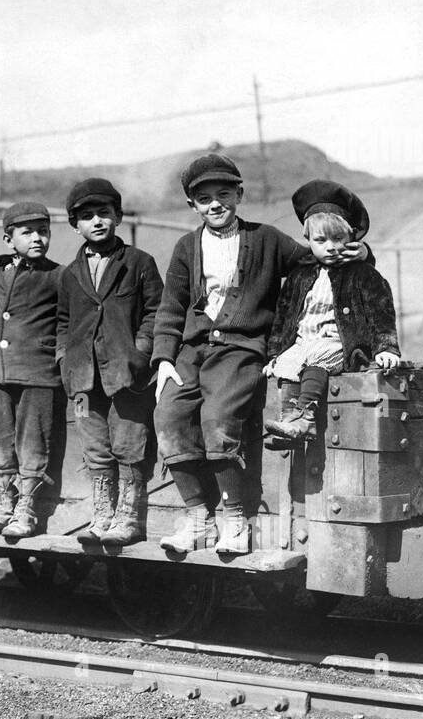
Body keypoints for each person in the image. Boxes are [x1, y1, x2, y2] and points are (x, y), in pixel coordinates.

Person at [153, 153, 371, 555]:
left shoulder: (267, 239)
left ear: (239, 194)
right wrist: (165, 358)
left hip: (241, 349)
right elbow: (171, 308)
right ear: (192, 204)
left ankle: (235, 519)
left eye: (223, 194)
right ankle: (197, 517)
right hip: (191, 351)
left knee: (217, 419)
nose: (215, 204)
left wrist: (360, 252)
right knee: (168, 417)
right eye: (204, 198)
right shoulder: (186, 248)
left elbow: (317, 254)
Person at [56, 179, 162, 546]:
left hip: (126, 374)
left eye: (104, 213)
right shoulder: (69, 274)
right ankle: (102, 513)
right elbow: (62, 322)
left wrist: (141, 351)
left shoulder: (138, 263)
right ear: (75, 225)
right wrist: (62, 359)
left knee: (129, 443)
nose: (97, 221)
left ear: (117, 216)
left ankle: (128, 516)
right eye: (86, 217)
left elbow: (154, 312)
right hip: (83, 378)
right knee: (94, 445)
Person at [263, 181, 401, 441]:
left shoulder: (362, 274)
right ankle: (289, 423)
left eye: (338, 238)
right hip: (304, 344)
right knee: (287, 362)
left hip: (341, 345)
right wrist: (274, 355)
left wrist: (386, 347)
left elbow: (381, 311)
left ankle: (305, 418)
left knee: (314, 356)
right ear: (308, 240)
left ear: (351, 238)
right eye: (321, 240)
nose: (331, 246)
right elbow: (284, 317)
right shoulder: (300, 275)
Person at [0, 201, 66, 538]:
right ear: (9, 239)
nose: (37, 238)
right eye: (28, 233)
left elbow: (67, 323)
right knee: (0, 442)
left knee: (33, 443)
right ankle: (2, 506)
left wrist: (59, 359)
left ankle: (26, 509)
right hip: (0, 374)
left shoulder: (58, 276)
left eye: (43, 231)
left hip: (39, 373)